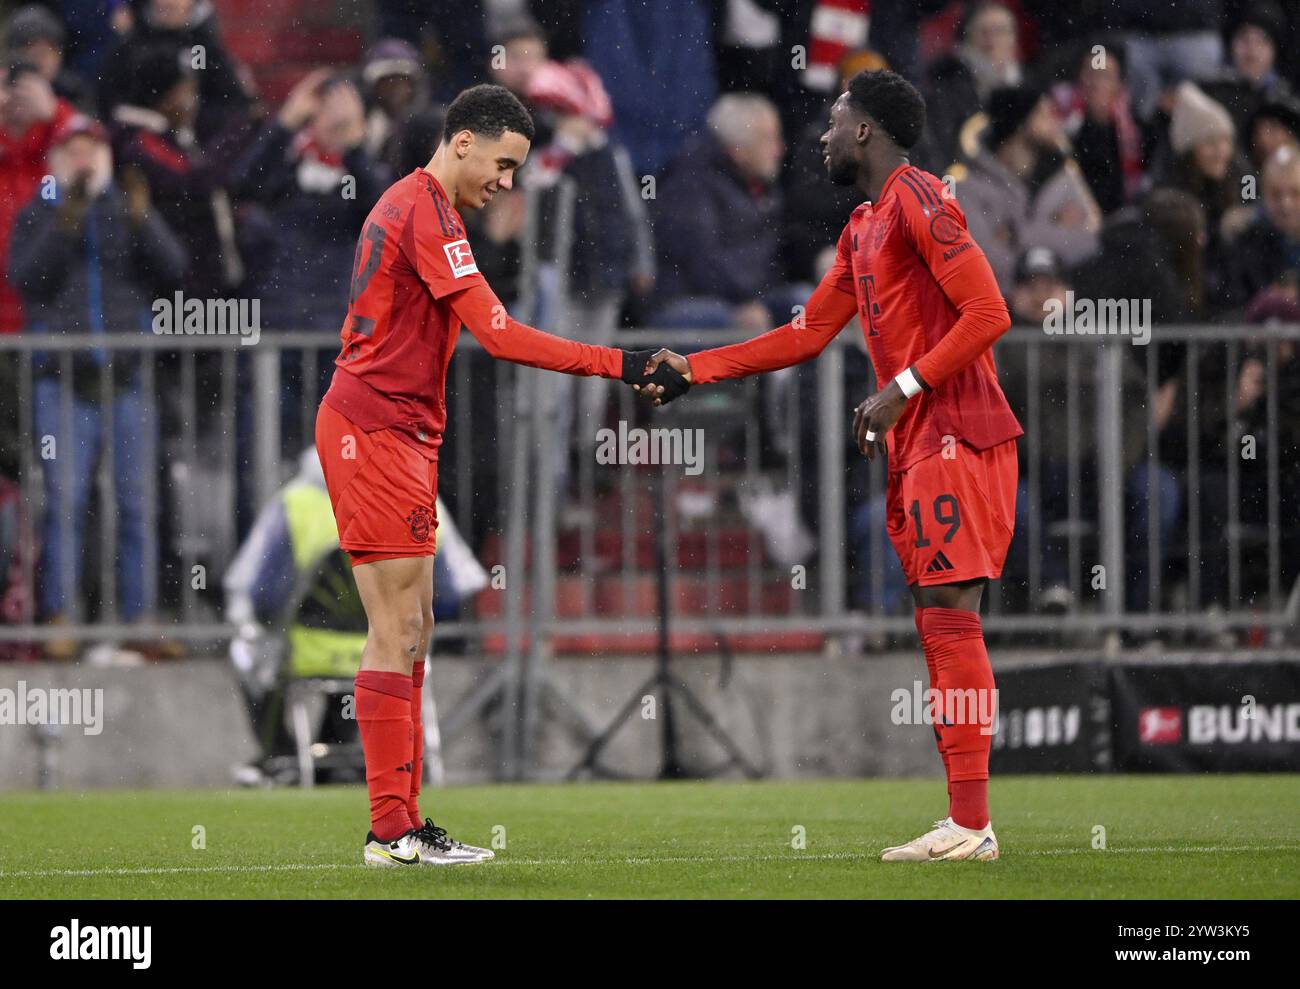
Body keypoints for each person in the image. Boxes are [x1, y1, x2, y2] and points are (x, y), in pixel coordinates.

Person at [638, 70, 1020, 862]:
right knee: (938, 617)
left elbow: (989, 311)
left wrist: (900, 388)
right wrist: (697, 369)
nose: (822, 134)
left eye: (835, 120)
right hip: (920, 434)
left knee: (951, 614)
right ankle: (966, 820)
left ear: (868, 132)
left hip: (957, 428)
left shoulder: (921, 197)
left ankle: (973, 825)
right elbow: (805, 334)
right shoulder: (863, 226)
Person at [313, 84, 676, 867]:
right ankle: (389, 830)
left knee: (416, 628)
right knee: (394, 628)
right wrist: (621, 364)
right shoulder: (423, 210)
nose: (507, 182)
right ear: (465, 140)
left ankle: (404, 821)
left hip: (396, 429)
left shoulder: (426, 210)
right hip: (373, 429)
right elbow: (500, 333)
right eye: (505, 164)